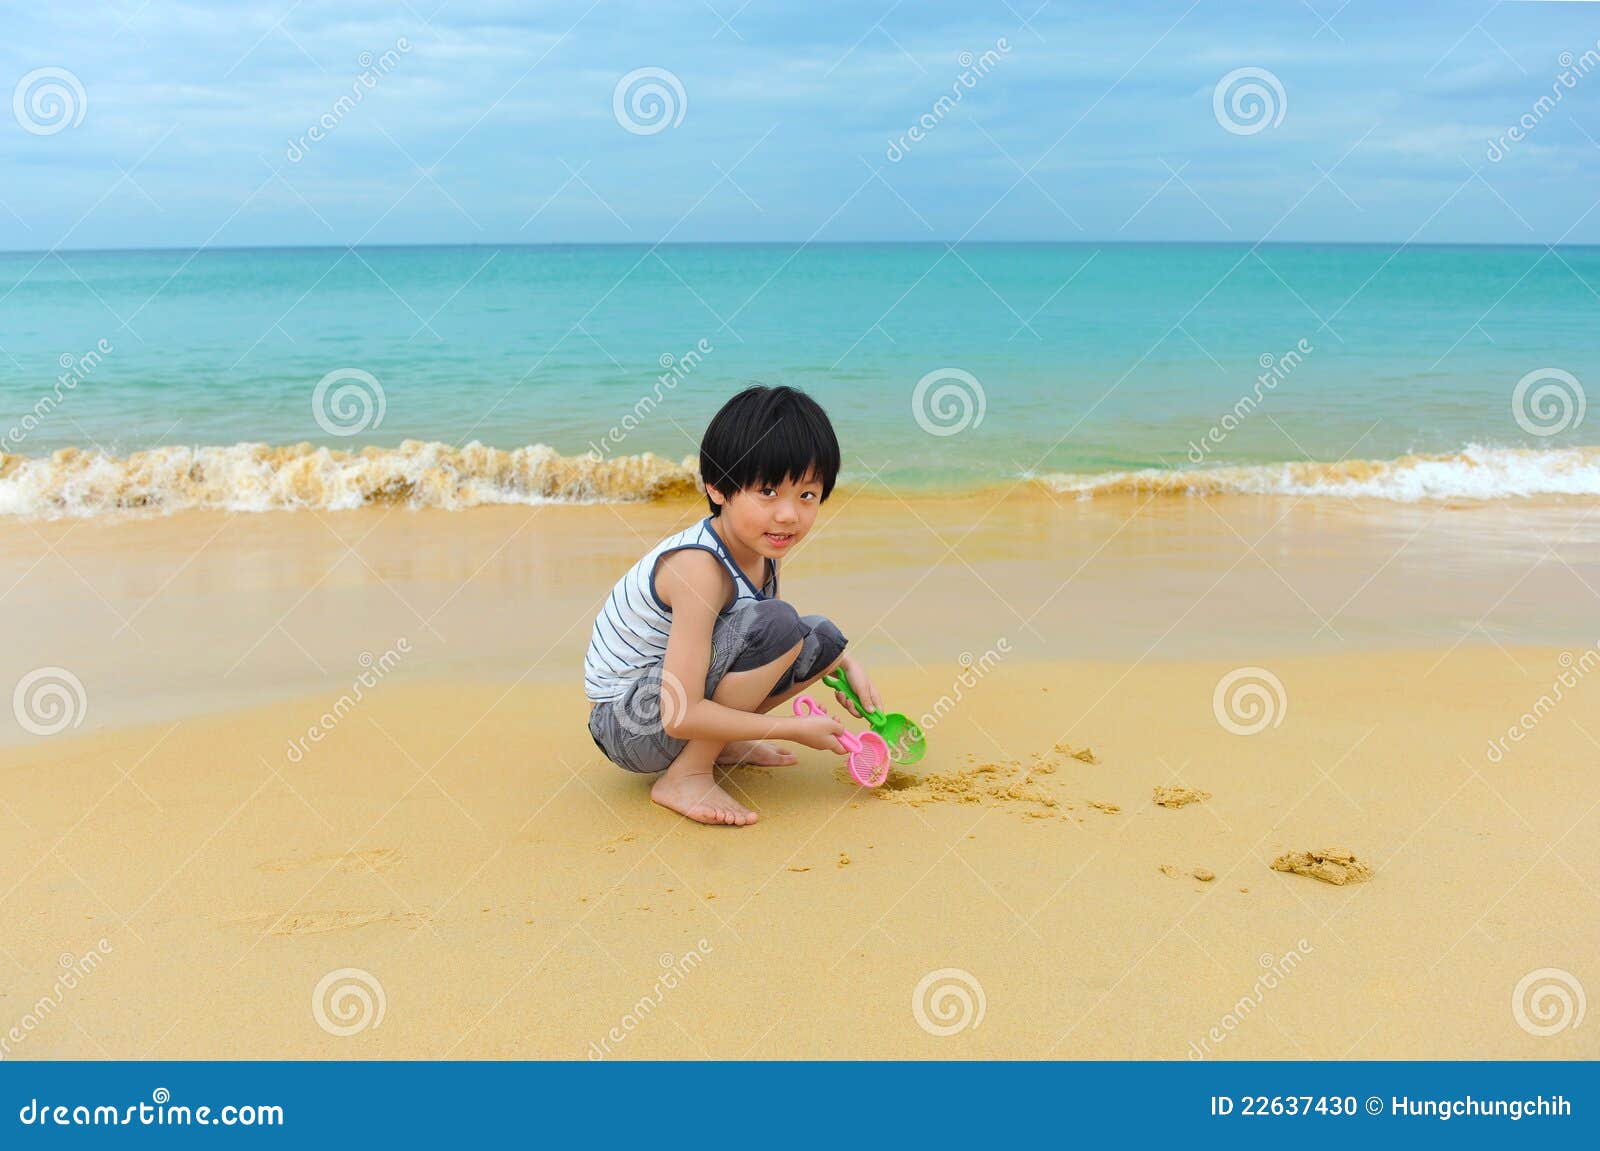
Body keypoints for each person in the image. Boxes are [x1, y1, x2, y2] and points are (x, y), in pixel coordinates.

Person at [584, 384, 883, 826]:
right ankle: (686, 775)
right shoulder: (698, 567)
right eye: (767, 492)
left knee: (821, 637)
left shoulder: (761, 550)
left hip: (668, 707)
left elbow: (765, 652)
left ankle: (717, 745)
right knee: (780, 625)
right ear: (718, 488)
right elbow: (679, 712)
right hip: (631, 723)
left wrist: (846, 663)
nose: (788, 515)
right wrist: (792, 730)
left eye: (806, 495)